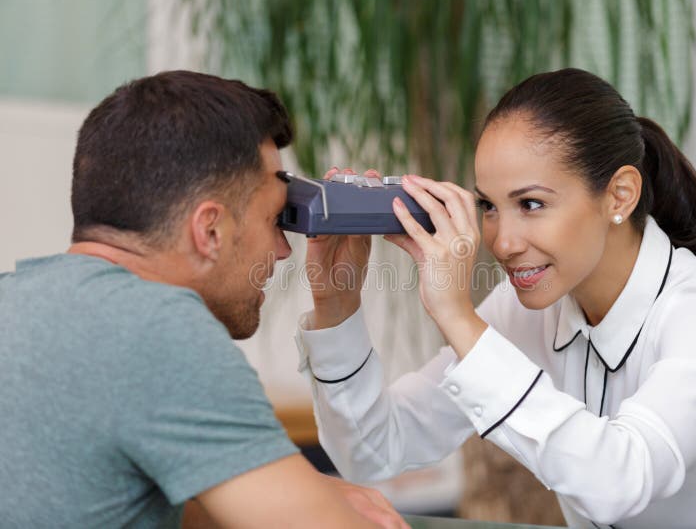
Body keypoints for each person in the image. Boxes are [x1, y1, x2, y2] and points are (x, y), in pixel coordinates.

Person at [295, 68, 696, 527]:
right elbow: (372, 451)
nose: (503, 241)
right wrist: (337, 308)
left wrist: (456, 313)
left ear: (620, 195)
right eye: (489, 206)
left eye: (531, 204)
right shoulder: (527, 311)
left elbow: (619, 481)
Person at [0, 70, 409, 528]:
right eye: (275, 218)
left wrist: (289, 485)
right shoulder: (160, 330)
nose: (282, 250)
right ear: (210, 229)